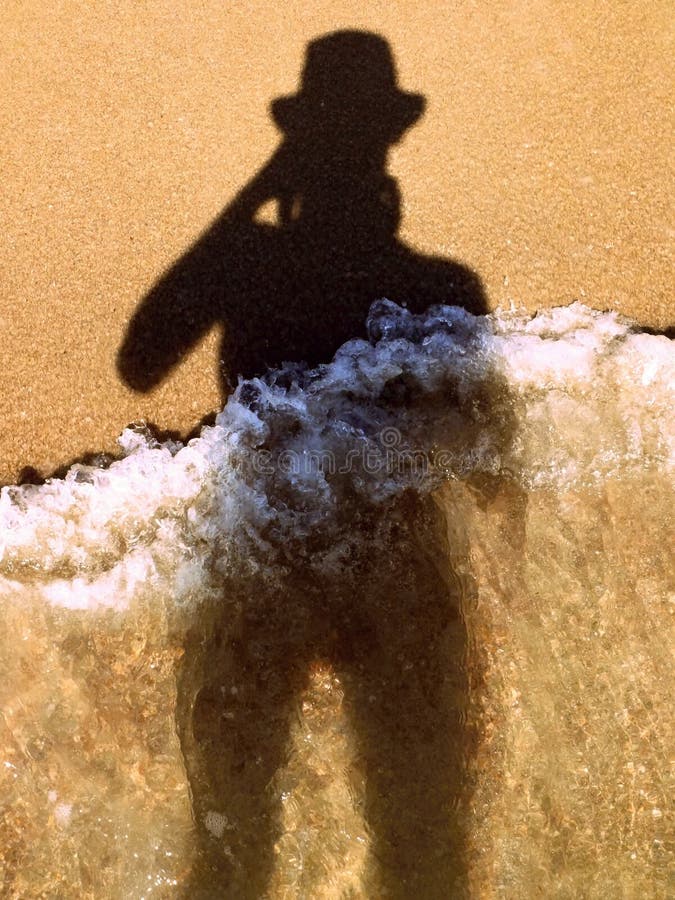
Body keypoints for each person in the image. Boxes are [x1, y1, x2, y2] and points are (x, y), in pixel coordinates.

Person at [117, 30, 486, 395]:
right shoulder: (442, 289)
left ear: (297, 152)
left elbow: (140, 366)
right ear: (392, 135)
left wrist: (255, 193)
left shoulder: (247, 264)